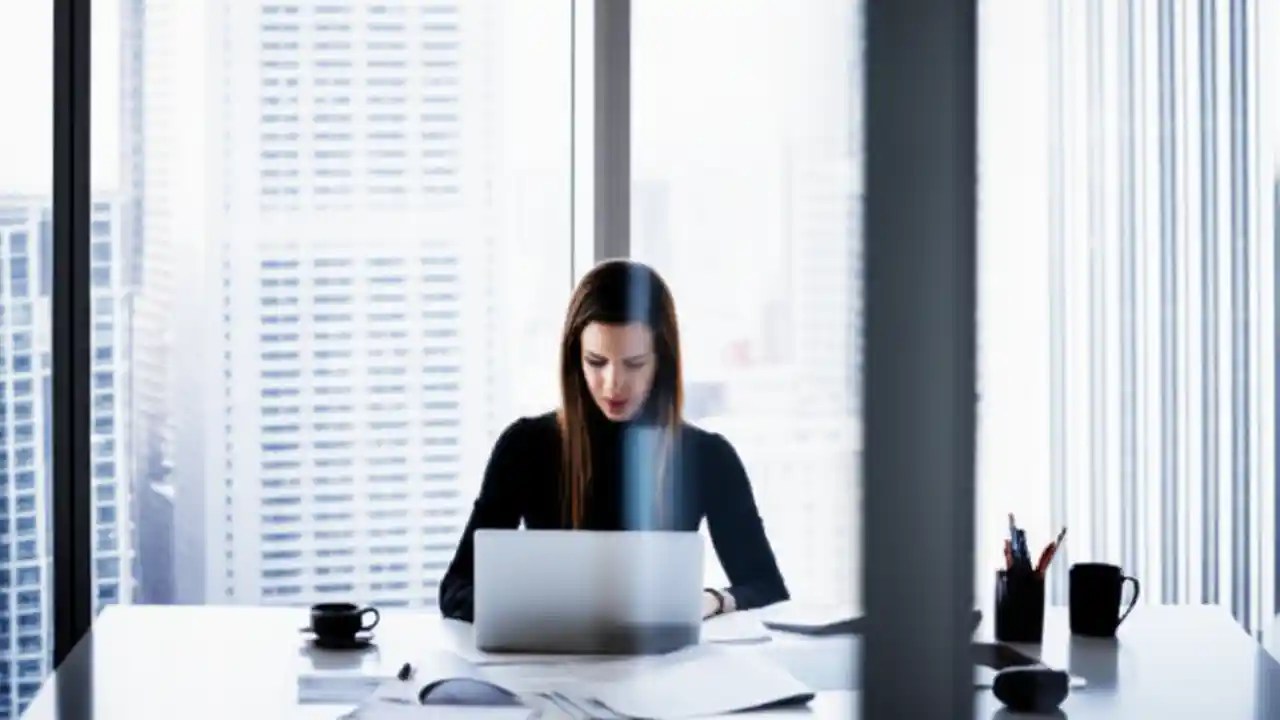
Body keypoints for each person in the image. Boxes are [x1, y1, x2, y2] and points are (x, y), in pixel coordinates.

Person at [438, 259, 788, 621]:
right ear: (576, 359)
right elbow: (456, 589)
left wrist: (712, 599)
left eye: (634, 364)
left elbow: (765, 587)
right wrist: (538, 611)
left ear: (661, 361)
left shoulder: (708, 456)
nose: (613, 384)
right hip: (549, 667)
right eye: (596, 361)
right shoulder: (524, 446)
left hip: (662, 670)